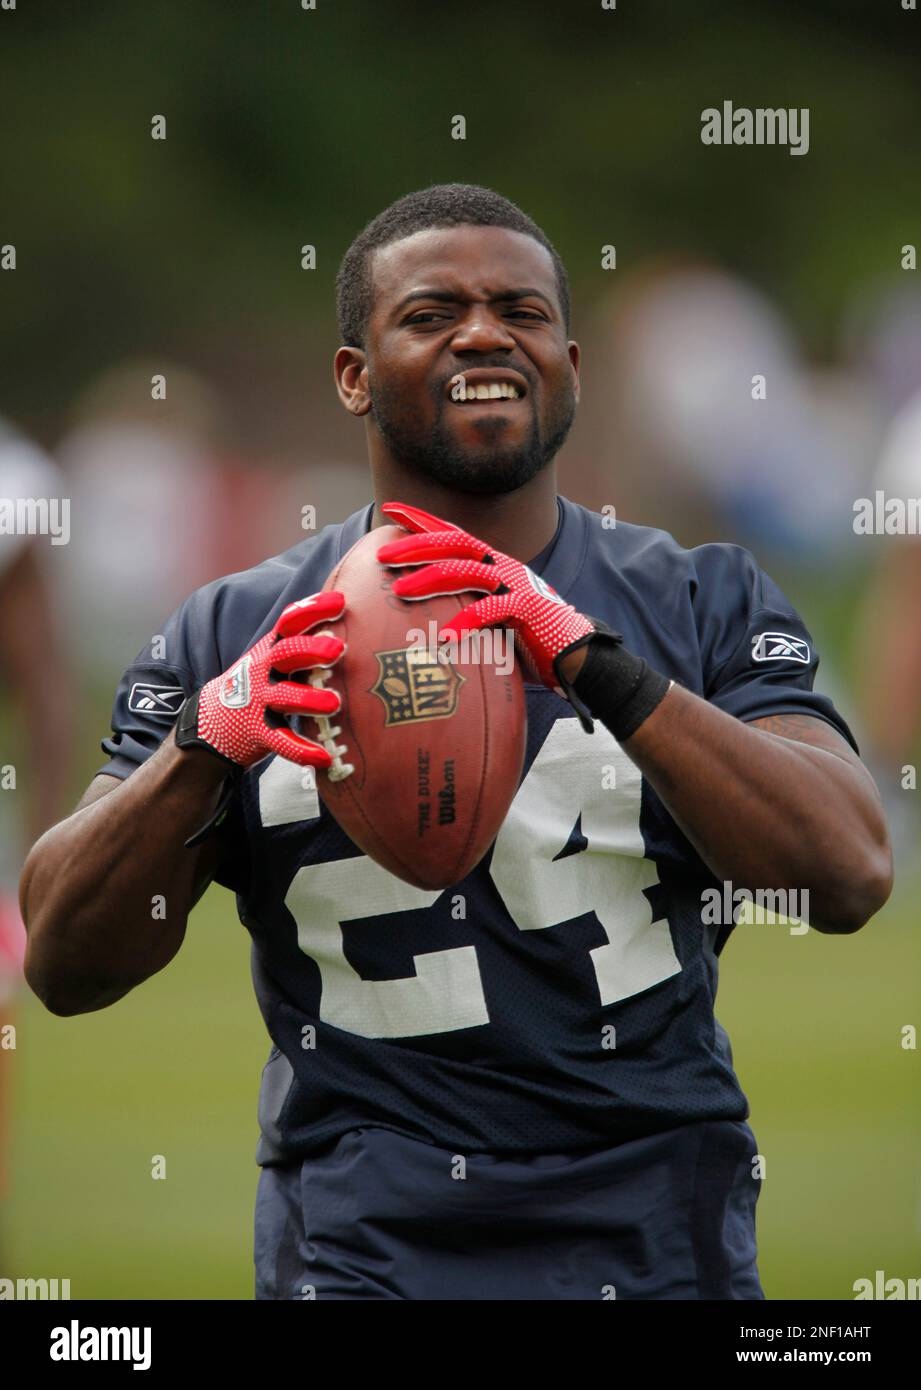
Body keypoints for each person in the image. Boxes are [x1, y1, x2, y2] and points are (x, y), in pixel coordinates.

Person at [19, 184, 892, 1301]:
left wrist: (595, 664)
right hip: (361, 1245)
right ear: (353, 375)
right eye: (432, 313)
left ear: (569, 361)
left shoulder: (696, 595)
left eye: (520, 311)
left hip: (656, 1235)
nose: (484, 332)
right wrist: (206, 742)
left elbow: (848, 872)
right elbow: (66, 961)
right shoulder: (236, 631)